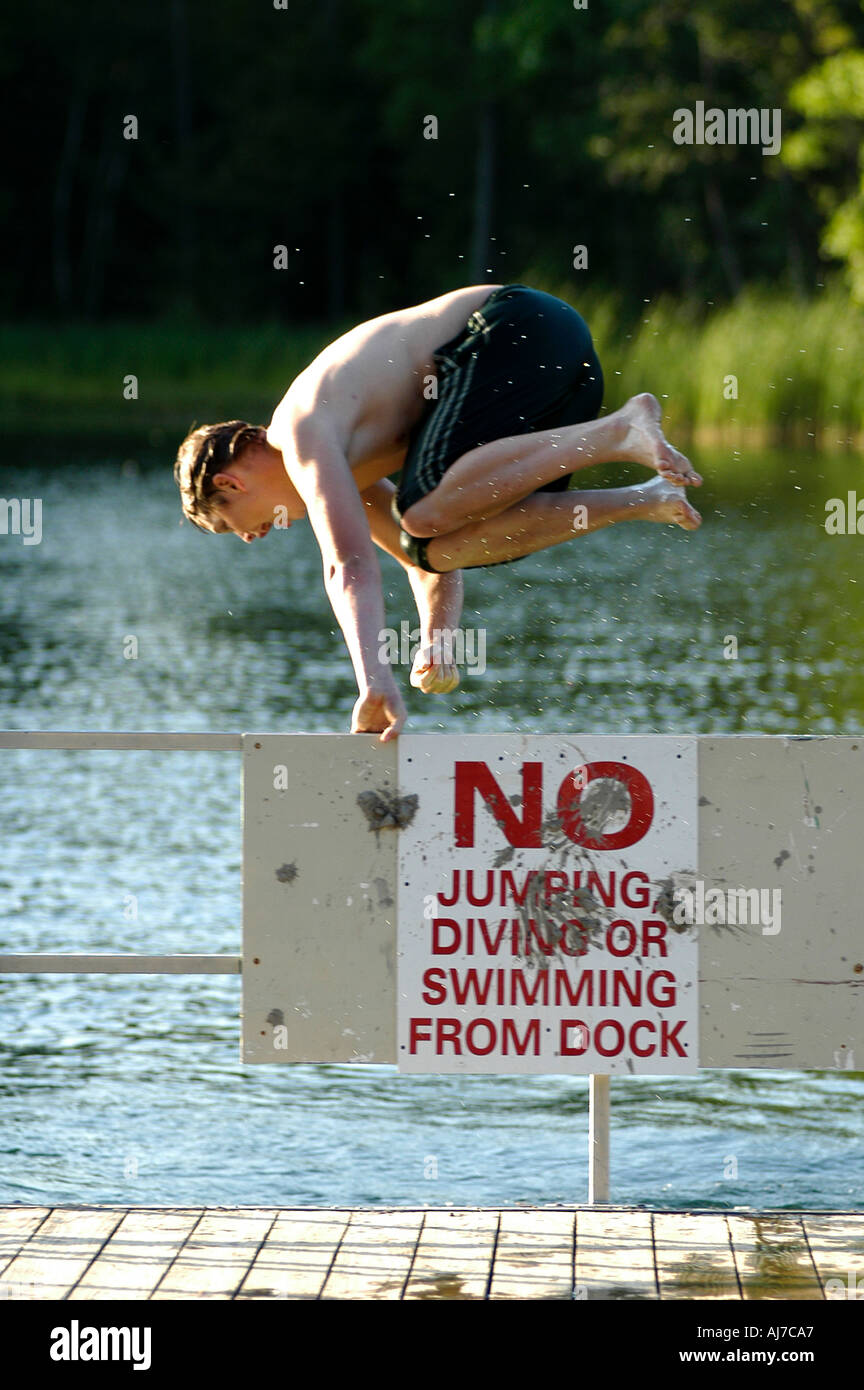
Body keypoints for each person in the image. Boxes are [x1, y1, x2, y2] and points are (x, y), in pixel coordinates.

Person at [174, 283, 702, 741]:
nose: (251, 538)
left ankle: (618, 431)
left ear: (230, 482)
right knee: (431, 542)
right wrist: (437, 639)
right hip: (560, 373)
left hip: (516, 328)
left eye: (232, 525)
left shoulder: (302, 432)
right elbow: (422, 564)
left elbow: (346, 567)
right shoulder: (342, 466)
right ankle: (649, 497)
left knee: (422, 511)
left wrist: (373, 679)